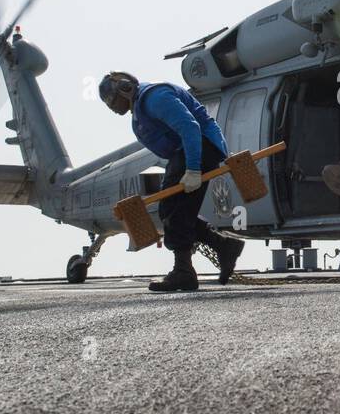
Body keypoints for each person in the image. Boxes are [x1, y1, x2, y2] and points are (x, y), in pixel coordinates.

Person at [97, 71, 244, 292]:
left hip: (199, 148)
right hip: (188, 152)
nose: (111, 107)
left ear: (125, 88)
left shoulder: (155, 98)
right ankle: (222, 246)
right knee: (171, 210)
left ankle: (184, 271)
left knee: (176, 212)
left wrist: (193, 168)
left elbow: (190, 127)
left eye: (111, 100)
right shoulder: (141, 107)